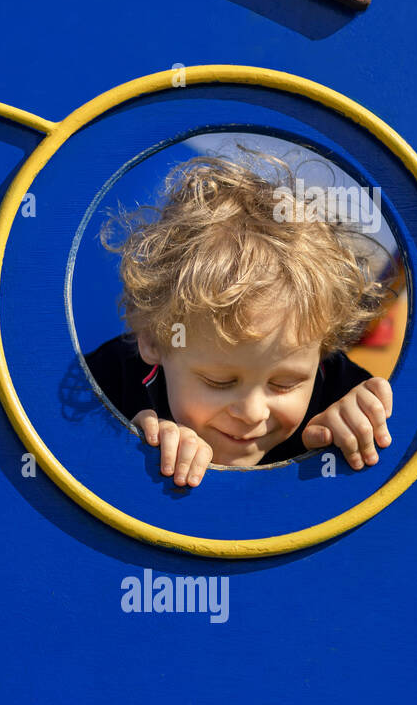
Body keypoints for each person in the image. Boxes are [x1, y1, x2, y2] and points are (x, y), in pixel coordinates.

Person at [85, 152, 396, 488]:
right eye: (220, 382)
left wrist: (353, 426)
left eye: (284, 384)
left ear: (323, 347)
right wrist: (125, 441)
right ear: (153, 339)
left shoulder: (338, 392)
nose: (252, 413)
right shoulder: (110, 383)